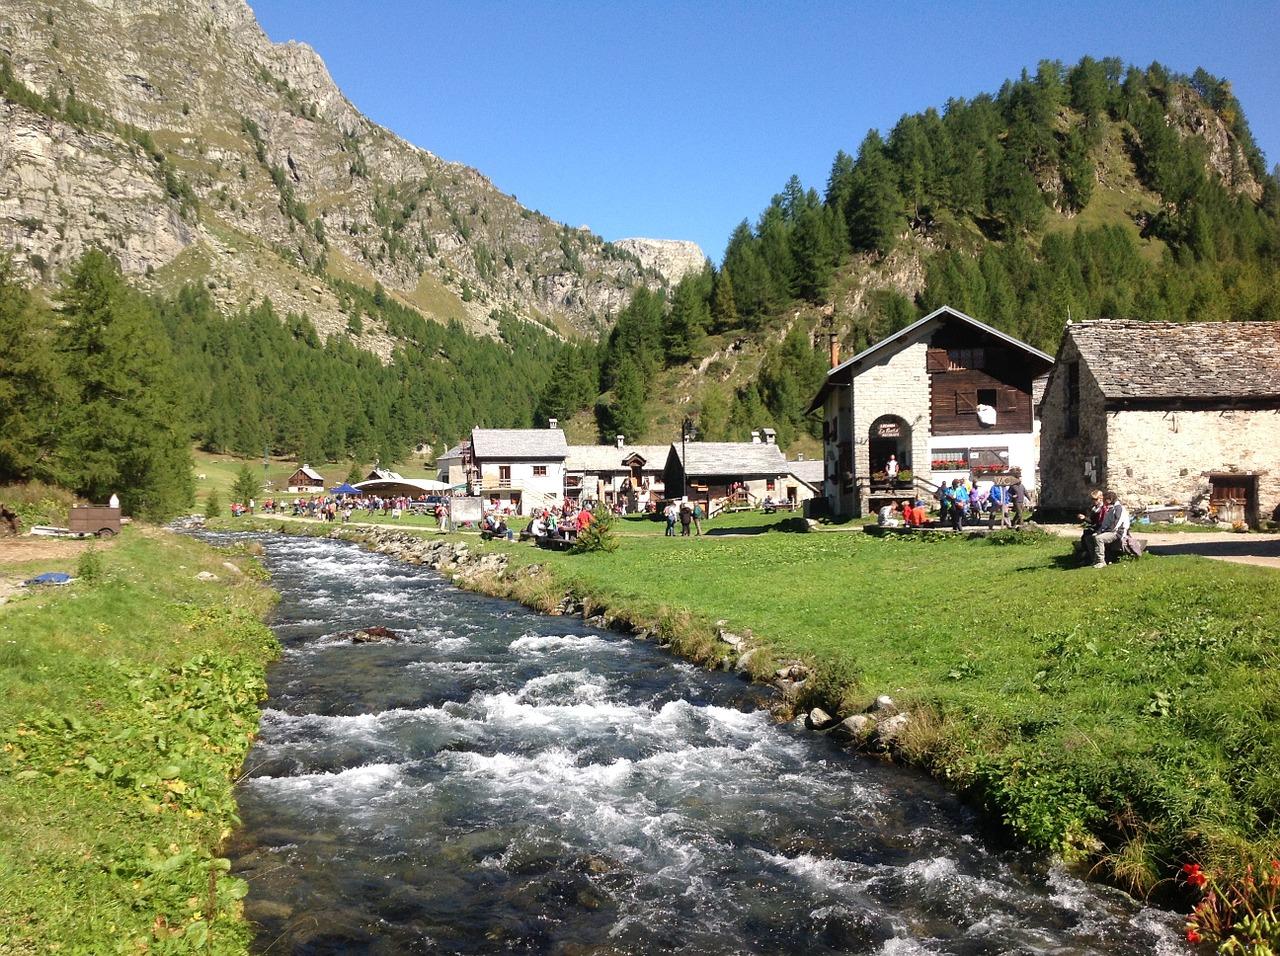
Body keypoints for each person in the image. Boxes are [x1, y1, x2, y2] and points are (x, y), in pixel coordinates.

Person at [1091, 491, 1129, 567]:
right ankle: (1095, 560)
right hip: (1112, 531)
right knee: (1094, 536)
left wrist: (1105, 532)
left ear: (1109, 500)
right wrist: (1100, 531)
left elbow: (1117, 523)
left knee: (1099, 538)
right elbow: (1106, 523)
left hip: (1117, 533)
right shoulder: (1112, 509)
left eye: (1105, 500)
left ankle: (1101, 561)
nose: (1104, 502)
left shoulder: (1119, 508)